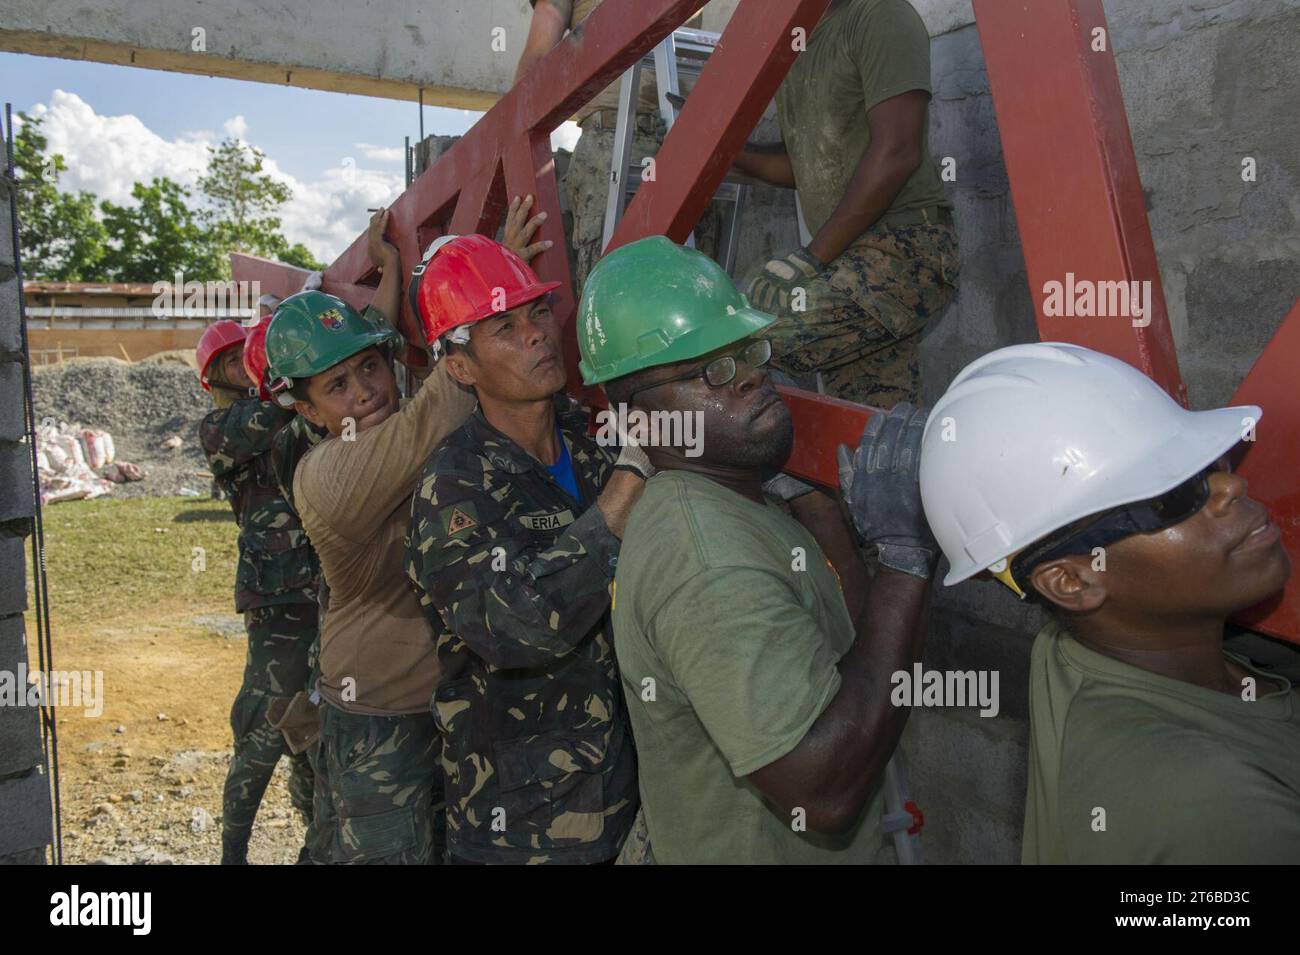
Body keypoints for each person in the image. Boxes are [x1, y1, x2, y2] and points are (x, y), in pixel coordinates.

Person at [579, 236, 938, 863]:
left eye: (747, 350)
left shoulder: (736, 492)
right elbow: (824, 791)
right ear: (639, 422)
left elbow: (844, 647)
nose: (750, 376)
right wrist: (906, 559)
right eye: (709, 371)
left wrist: (821, 512)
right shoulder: (704, 561)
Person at [919, 342, 1300, 863]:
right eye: (1172, 495)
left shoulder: (1078, 650)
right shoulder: (1211, 804)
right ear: (1072, 583)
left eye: (1213, 462)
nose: (1232, 484)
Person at [267, 204, 544, 864]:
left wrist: (390, 270)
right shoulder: (329, 475)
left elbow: (386, 351)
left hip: (435, 705)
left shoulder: (373, 422)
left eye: (370, 367)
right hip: (379, 718)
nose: (365, 390)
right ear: (306, 411)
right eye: (338, 385)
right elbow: (431, 416)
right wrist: (488, 291)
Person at [405, 234, 648, 865]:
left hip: (627, 793)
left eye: (538, 312)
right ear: (461, 367)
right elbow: (518, 626)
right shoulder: (453, 483)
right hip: (523, 825)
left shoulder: (591, 443)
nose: (537, 334)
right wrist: (631, 484)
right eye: (504, 327)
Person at [733, 0, 958, 408]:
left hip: (902, 248)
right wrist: (723, 150)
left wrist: (809, 259)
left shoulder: (879, 14)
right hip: (844, 259)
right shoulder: (798, 43)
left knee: (746, 336)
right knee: (871, 421)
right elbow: (800, 165)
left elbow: (898, 150)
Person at [196, 319, 317, 865]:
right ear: (221, 369)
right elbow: (273, 412)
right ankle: (233, 854)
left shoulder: (288, 410)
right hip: (279, 602)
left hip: (326, 593)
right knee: (263, 734)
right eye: (240, 359)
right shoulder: (221, 428)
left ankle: (320, 841)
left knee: (318, 727)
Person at [515, 0, 720, 294]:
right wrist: (519, 147)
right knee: (612, 288)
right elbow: (536, 60)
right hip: (612, 140)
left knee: (691, 285)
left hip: (681, 136)